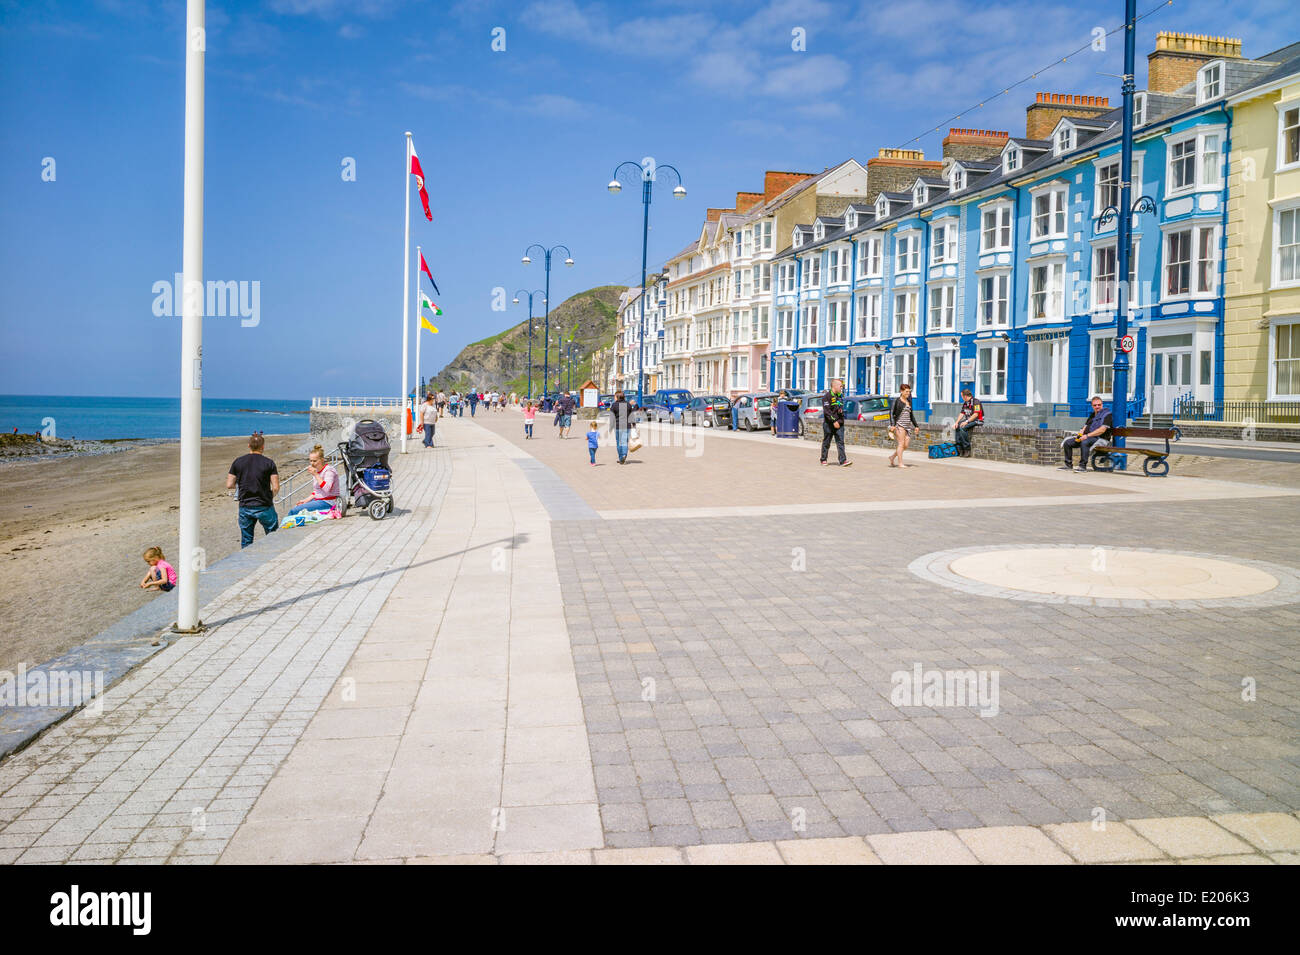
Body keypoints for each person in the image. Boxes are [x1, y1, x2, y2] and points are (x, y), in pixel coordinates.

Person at [227, 432, 280, 547]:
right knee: (273, 536)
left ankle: (246, 563)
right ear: (263, 447)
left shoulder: (238, 462)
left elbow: (229, 484)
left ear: (248, 446)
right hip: (264, 504)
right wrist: (269, 496)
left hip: (245, 505)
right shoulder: (269, 463)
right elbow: (275, 487)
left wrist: (242, 482)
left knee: (246, 540)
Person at [1061, 396, 1113, 472]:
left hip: (1100, 439)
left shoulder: (1107, 415)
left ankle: (1082, 466)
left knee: (1085, 442)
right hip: (1087, 437)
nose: (1097, 407)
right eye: (1095, 405)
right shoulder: (1092, 415)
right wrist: (1080, 434)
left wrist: (1087, 436)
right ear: (1092, 406)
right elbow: (1085, 427)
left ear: (1102, 404)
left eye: (1099, 405)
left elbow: (1102, 430)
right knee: (1068, 443)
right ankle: (1068, 465)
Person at [288, 445, 341, 515]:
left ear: (322, 460)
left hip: (329, 502)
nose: (312, 463)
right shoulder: (317, 471)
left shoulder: (329, 471)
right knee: (297, 506)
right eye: (310, 461)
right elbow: (317, 491)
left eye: (315, 461)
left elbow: (327, 489)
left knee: (294, 511)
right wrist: (305, 500)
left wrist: (316, 475)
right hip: (320, 500)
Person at [820, 378, 852, 467]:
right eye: (840, 386)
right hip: (829, 424)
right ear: (835, 386)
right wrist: (834, 421)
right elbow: (827, 412)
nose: (842, 388)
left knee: (840, 442)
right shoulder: (827, 396)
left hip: (840, 423)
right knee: (827, 442)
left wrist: (841, 414)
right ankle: (823, 459)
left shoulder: (840, 396)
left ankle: (843, 460)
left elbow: (839, 407)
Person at [888, 383, 917, 468]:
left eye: (909, 392)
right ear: (901, 391)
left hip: (907, 426)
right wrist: (893, 424)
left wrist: (916, 426)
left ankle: (892, 457)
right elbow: (891, 413)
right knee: (901, 444)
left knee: (906, 445)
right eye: (906, 391)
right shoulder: (897, 401)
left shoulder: (909, 402)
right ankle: (900, 463)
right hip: (899, 425)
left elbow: (911, 415)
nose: (908, 393)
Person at [953, 388, 984, 457]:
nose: (962, 398)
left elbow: (976, 414)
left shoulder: (976, 402)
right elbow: (962, 413)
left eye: (962, 396)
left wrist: (966, 421)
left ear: (965, 396)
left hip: (977, 420)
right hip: (969, 420)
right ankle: (960, 449)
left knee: (963, 428)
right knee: (957, 426)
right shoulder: (965, 403)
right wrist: (956, 422)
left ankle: (967, 449)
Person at [607, 389, 634, 464]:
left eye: (614, 396)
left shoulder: (614, 405)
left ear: (617, 397)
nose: (614, 398)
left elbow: (612, 417)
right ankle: (624, 455)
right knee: (624, 442)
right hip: (627, 426)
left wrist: (611, 427)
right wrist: (634, 425)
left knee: (619, 442)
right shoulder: (628, 404)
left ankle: (621, 457)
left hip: (618, 426)